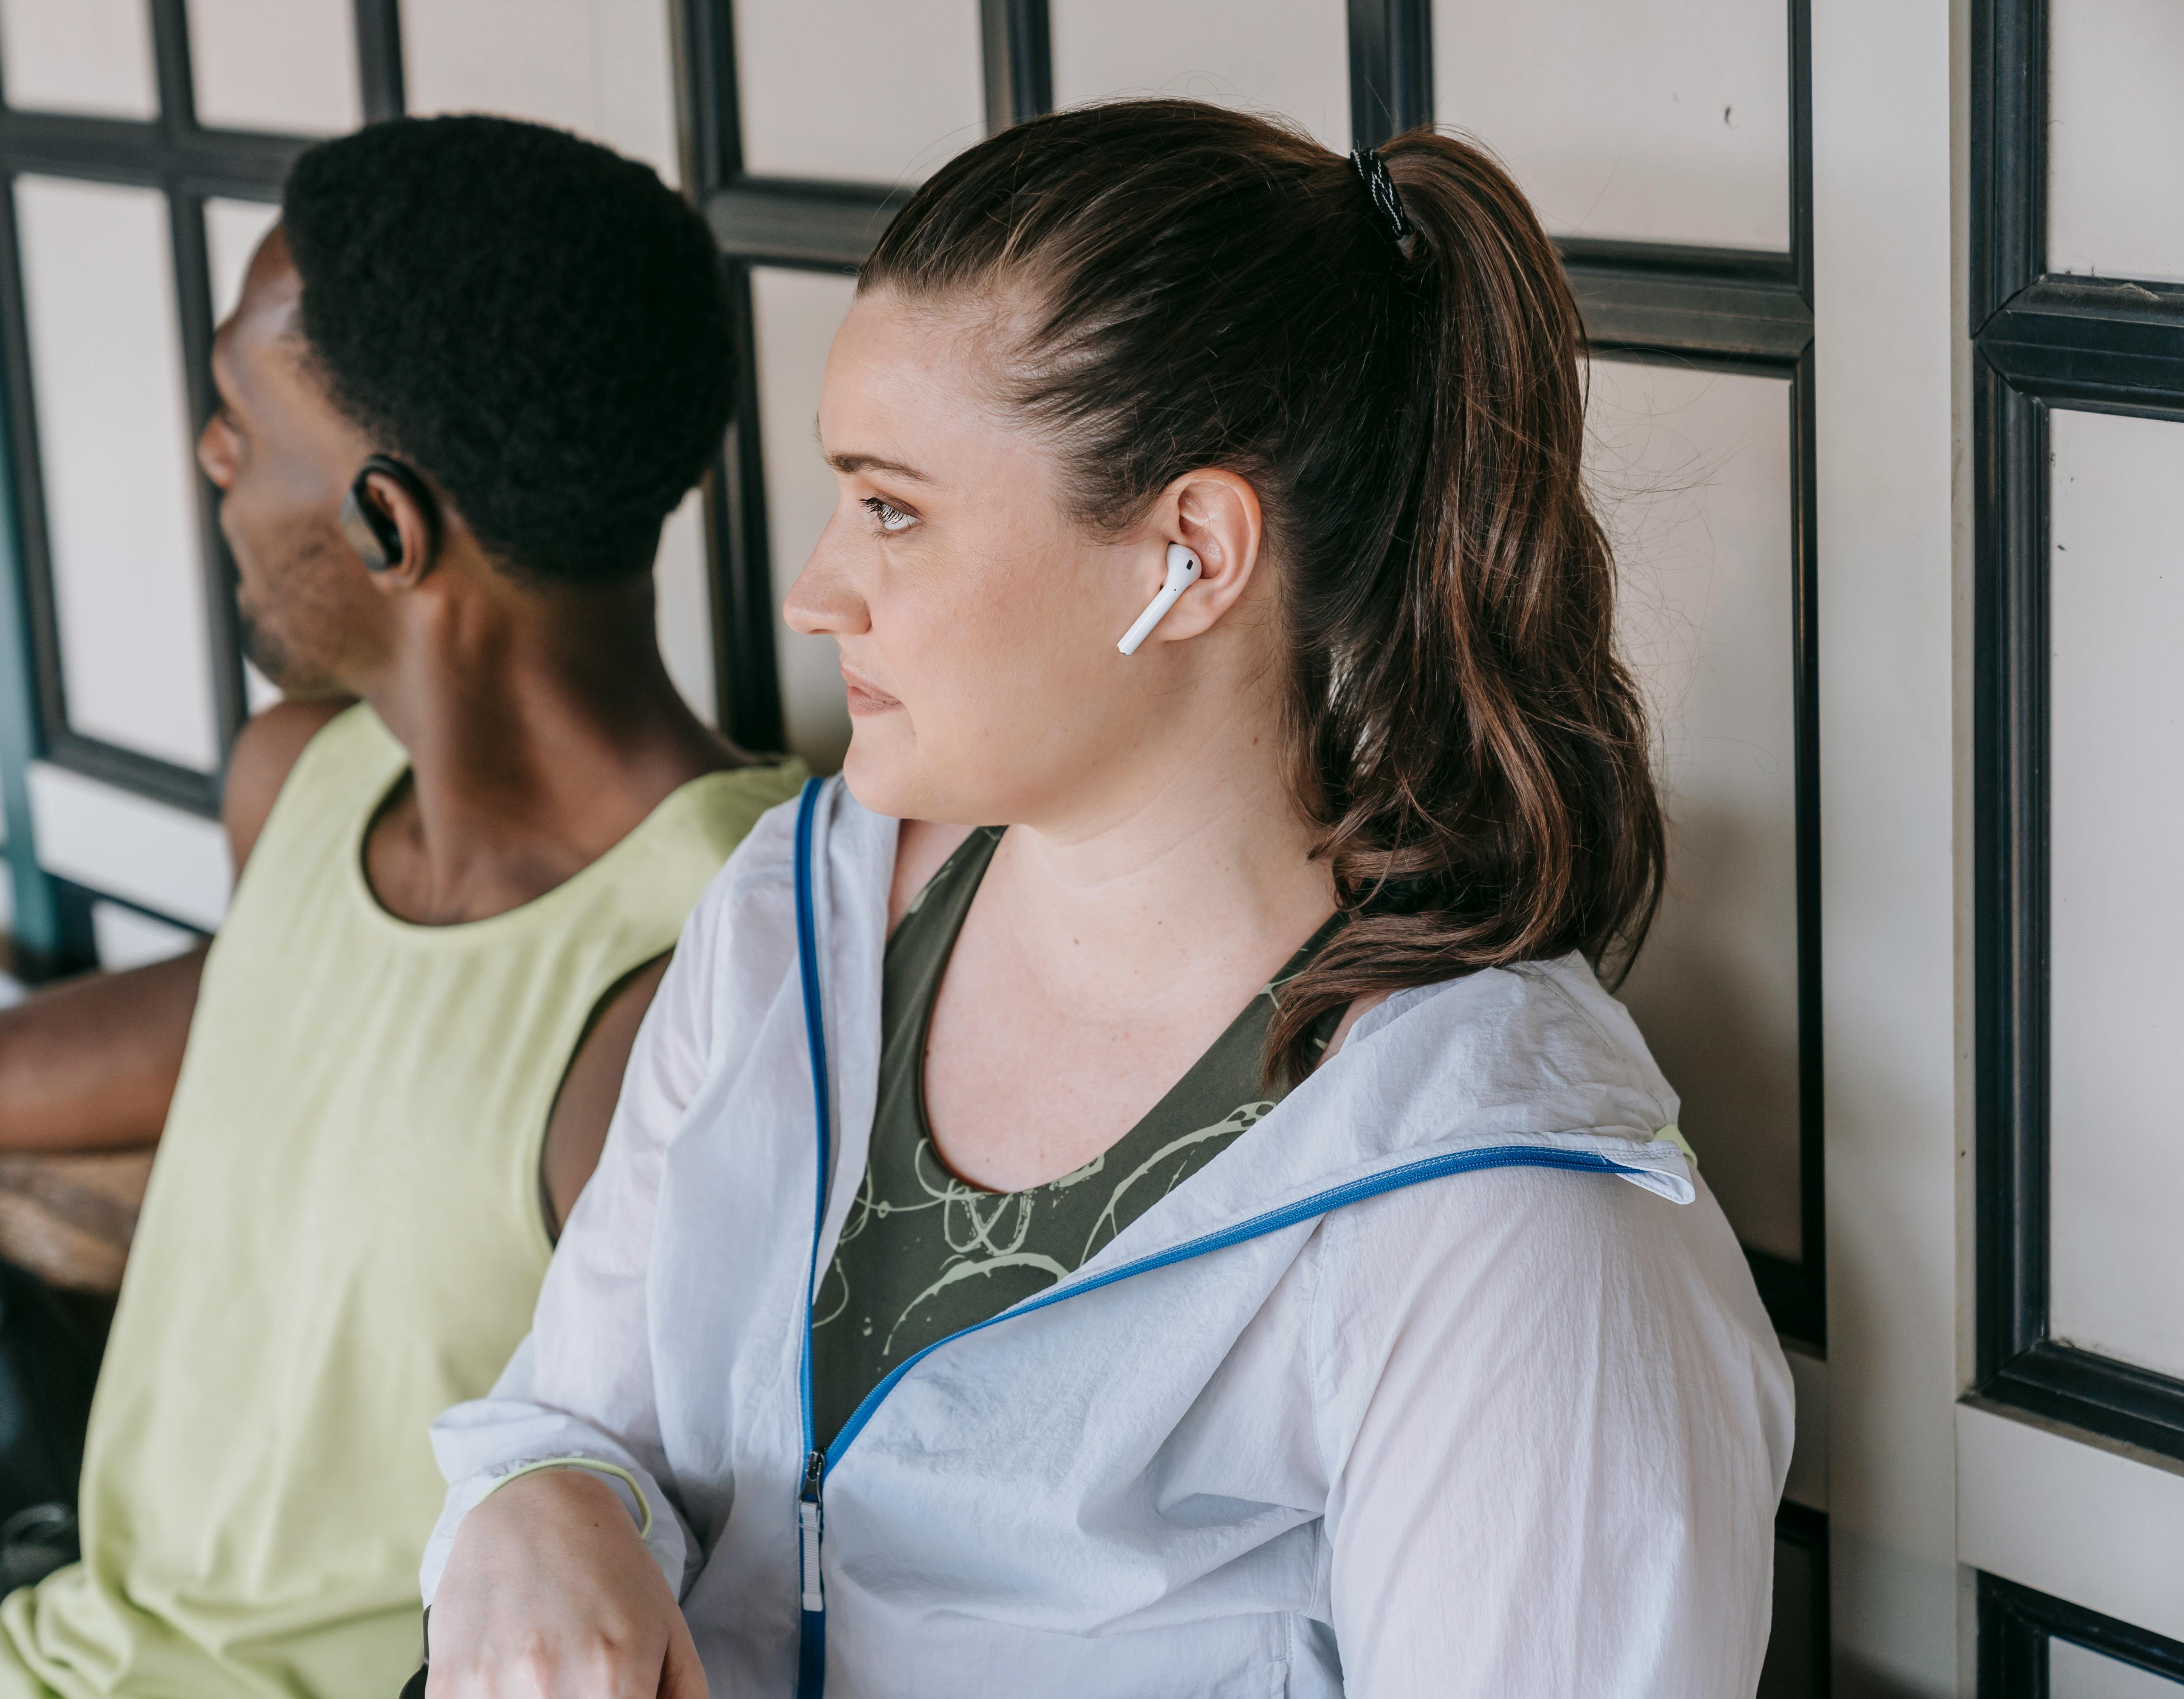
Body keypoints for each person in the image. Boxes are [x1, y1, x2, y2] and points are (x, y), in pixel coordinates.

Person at [417, 103, 1795, 1699]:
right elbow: (570, 1420)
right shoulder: (795, 912)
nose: (817, 589)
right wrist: (542, 1506)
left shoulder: (1516, 1225)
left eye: (893, 509)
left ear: (1188, 556)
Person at [0, 116, 801, 1697]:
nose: (210, 456)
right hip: (20, 1652)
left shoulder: (707, 970)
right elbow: (248, 1014)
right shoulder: (307, 781)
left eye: (241, 418)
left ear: (390, 526)